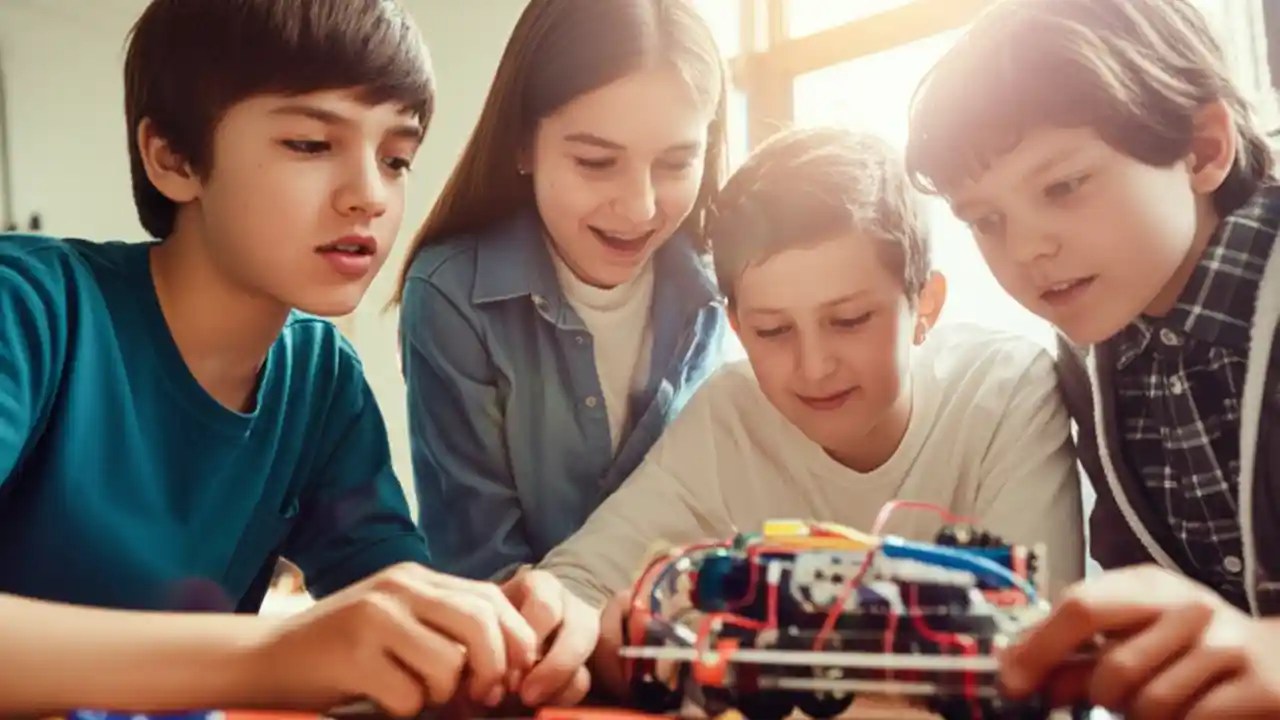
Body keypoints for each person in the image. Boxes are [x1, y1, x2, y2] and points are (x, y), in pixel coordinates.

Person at [0, 0, 592, 714]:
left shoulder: (320, 380)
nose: (369, 196)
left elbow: (398, 622)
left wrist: (522, 633)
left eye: (396, 158)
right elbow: (303, 653)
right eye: (311, 144)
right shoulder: (30, 309)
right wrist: (276, 655)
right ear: (173, 158)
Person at [534, 127, 1084, 694]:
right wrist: (569, 620)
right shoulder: (729, 415)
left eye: (848, 321)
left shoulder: (1006, 388)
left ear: (925, 304)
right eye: (773, 331)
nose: (814, 367)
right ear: (740, 330)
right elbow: (573, 582)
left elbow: (1039, 653)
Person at [904, 0, 1280, 715]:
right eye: (986, 220)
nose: (1026, 250)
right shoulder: (1094, 355)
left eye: (1064, 187)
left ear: (1202, 149)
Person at [392, 0, 730, 582]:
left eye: (677, 163)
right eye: (597, 162)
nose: (641, 207)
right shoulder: (452, 296)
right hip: (531, 656)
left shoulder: (717, 286)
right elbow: (477, 562)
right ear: (523, 144)